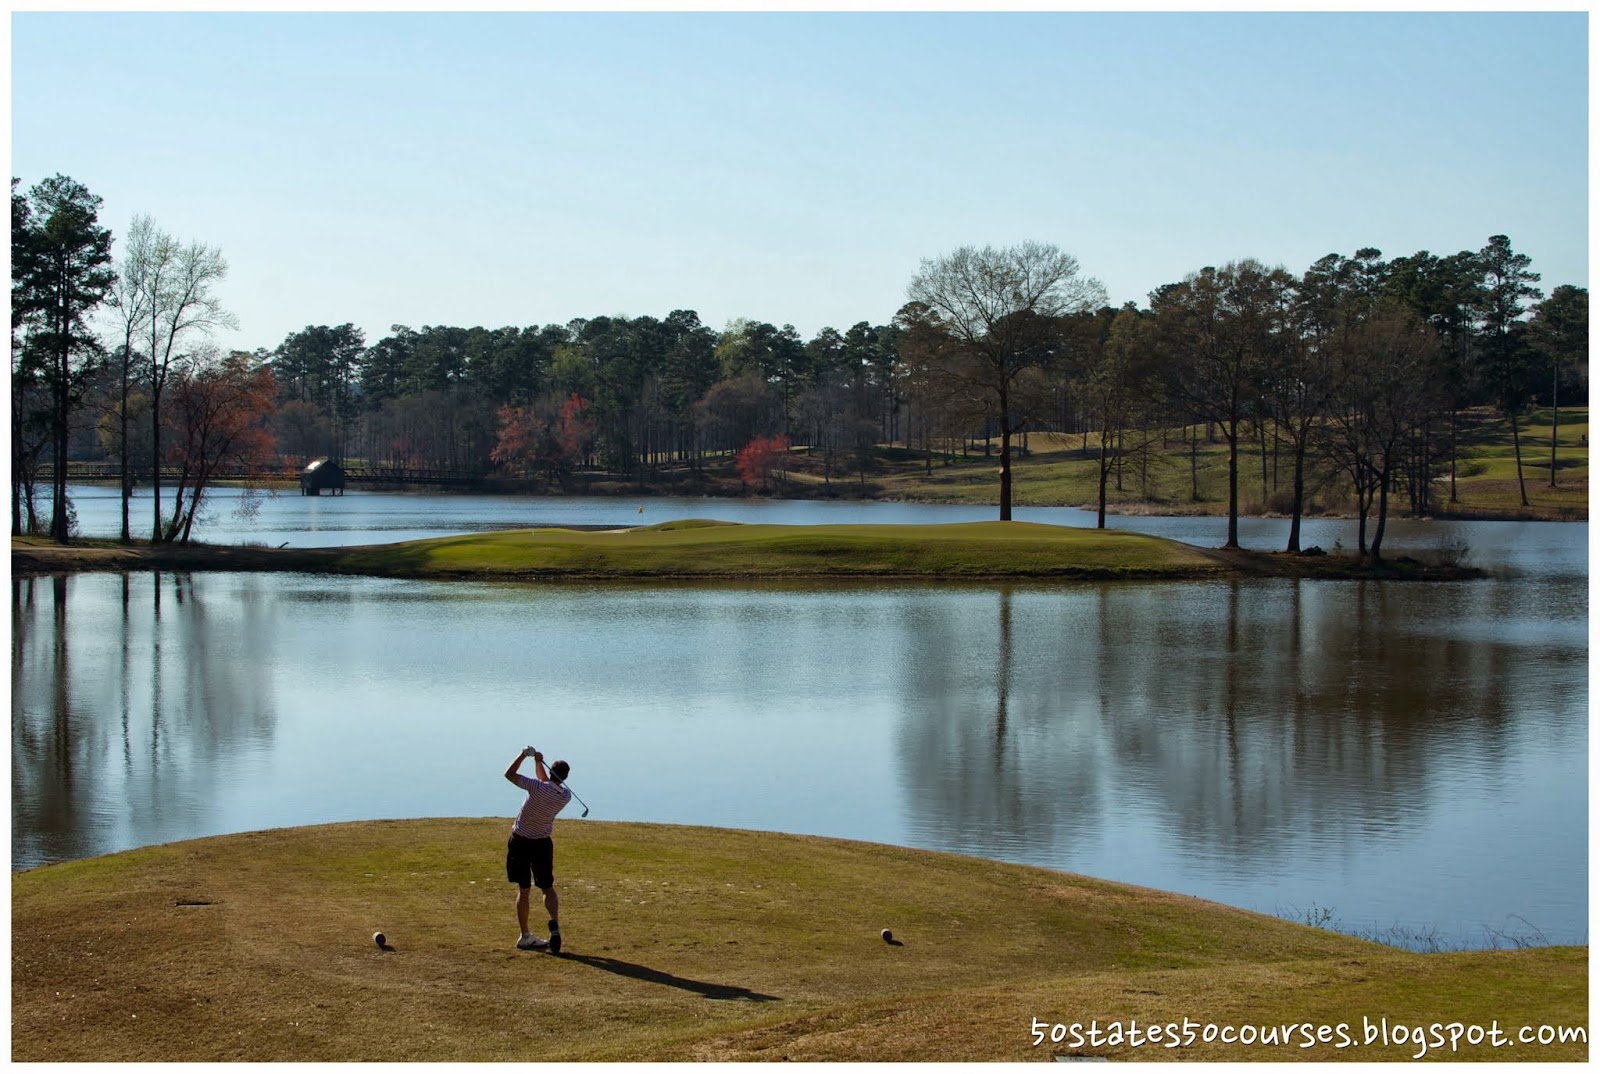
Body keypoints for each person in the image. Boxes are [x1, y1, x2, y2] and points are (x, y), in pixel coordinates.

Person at [504, 746, 573, 953]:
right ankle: (554, 924)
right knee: (547, 888)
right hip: (542, 844)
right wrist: (538, 763)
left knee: (524, 890)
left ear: (550, 772)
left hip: (520, 841)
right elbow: (547, 784)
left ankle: (525, 936)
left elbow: (509, 774)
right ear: (565, 777)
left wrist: (525, 755)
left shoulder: (536, 787)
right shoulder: (565, 796)